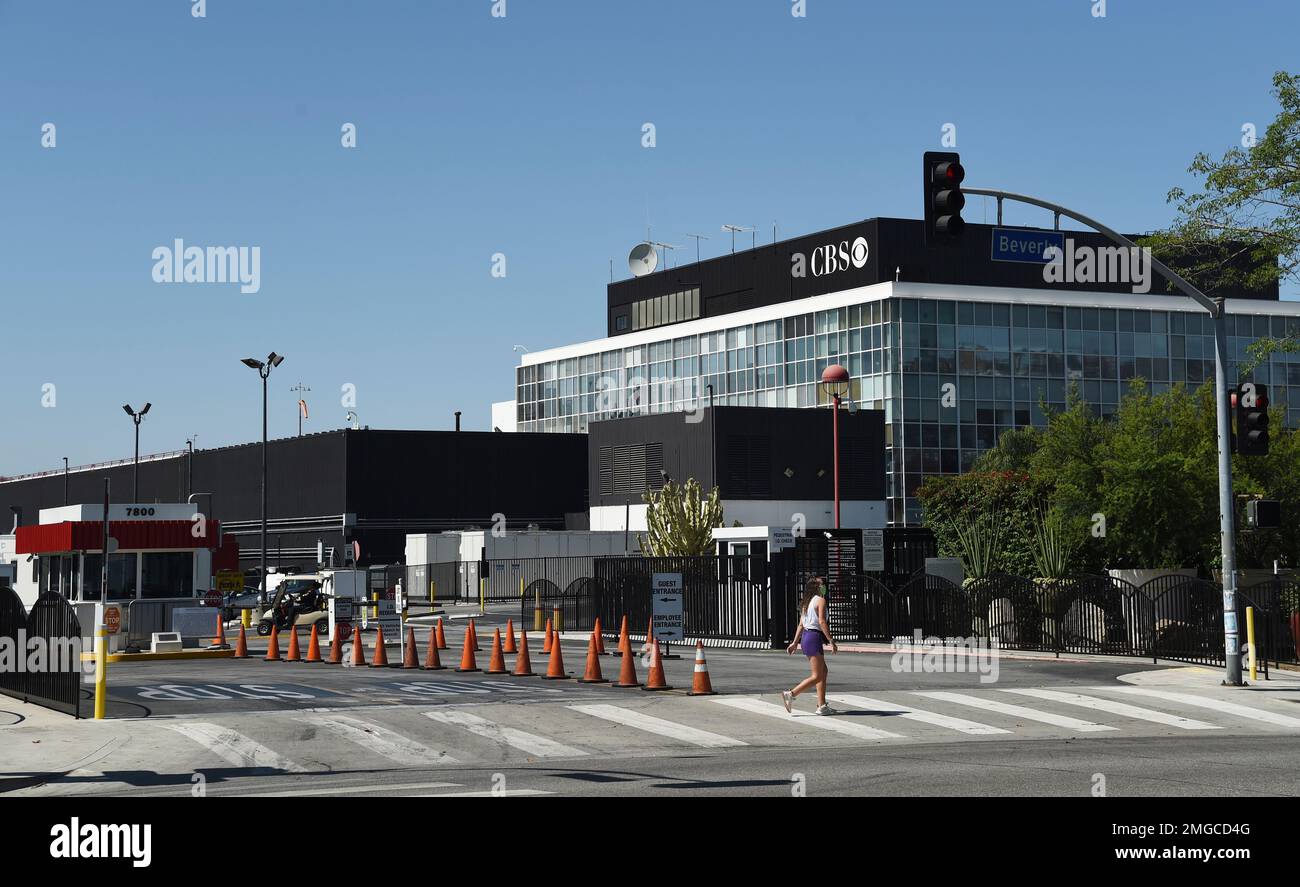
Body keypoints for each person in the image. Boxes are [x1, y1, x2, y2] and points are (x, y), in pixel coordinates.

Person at [782, 576, 839, 715]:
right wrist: (831, 640)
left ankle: (822, 705)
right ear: (815, 587)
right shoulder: (820, 600)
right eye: (821, 584)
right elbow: (822, 621)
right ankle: (791, 693)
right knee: (817, 675)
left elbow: (801, 625)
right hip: (813, 637)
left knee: (823, 672)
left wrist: (795, 642)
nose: (823, 586)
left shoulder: (806, 603)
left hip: (808, 637)